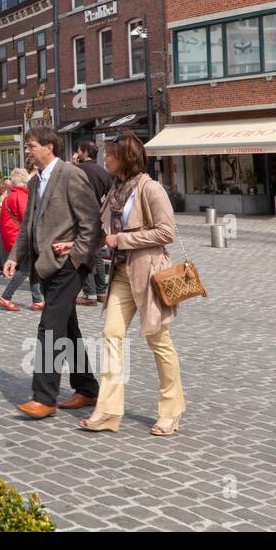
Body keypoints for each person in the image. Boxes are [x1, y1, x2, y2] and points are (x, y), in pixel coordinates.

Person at [80, 132, 185, 436]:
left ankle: (171, 411)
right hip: (121, 274)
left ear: (125, 157)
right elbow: (100, 230)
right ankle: (109, 411)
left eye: (110, 155)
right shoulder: (115, 190)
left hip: (149, 274)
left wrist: (123, 240)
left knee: (158, 341)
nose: (105, 159)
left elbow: (166, 232)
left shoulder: (150, 189)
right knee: (111, 334)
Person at [3, 125, 103, 419]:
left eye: (31, 146)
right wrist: (15, 257)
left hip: (67, 266)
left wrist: (75, 257)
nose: (27, 151)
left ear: (49, 147)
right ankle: (87, 388)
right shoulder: (35, 181)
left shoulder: (71, 174)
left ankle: (44, 397)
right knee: (66, 327)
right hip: (44, 265)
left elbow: (91, 222)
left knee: (49, 325)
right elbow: (28, 225)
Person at [0, 168, 43, 313]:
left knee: (32, 267)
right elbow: (27, 219)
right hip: (19, 239)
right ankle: (6, 296)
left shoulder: (10, 196)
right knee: (26, 268)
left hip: (11, 236)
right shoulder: (22, 196)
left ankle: (37, 300)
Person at [73, 140, 114, 306]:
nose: (77, 153)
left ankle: (89, 294)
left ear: (84, 152)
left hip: (80, 216)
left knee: (83, 253)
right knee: (97, 254)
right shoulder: (103, 172)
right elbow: (111, 196)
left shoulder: (78, 170)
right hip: (97, 217)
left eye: (79, 150)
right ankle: (101, 292)